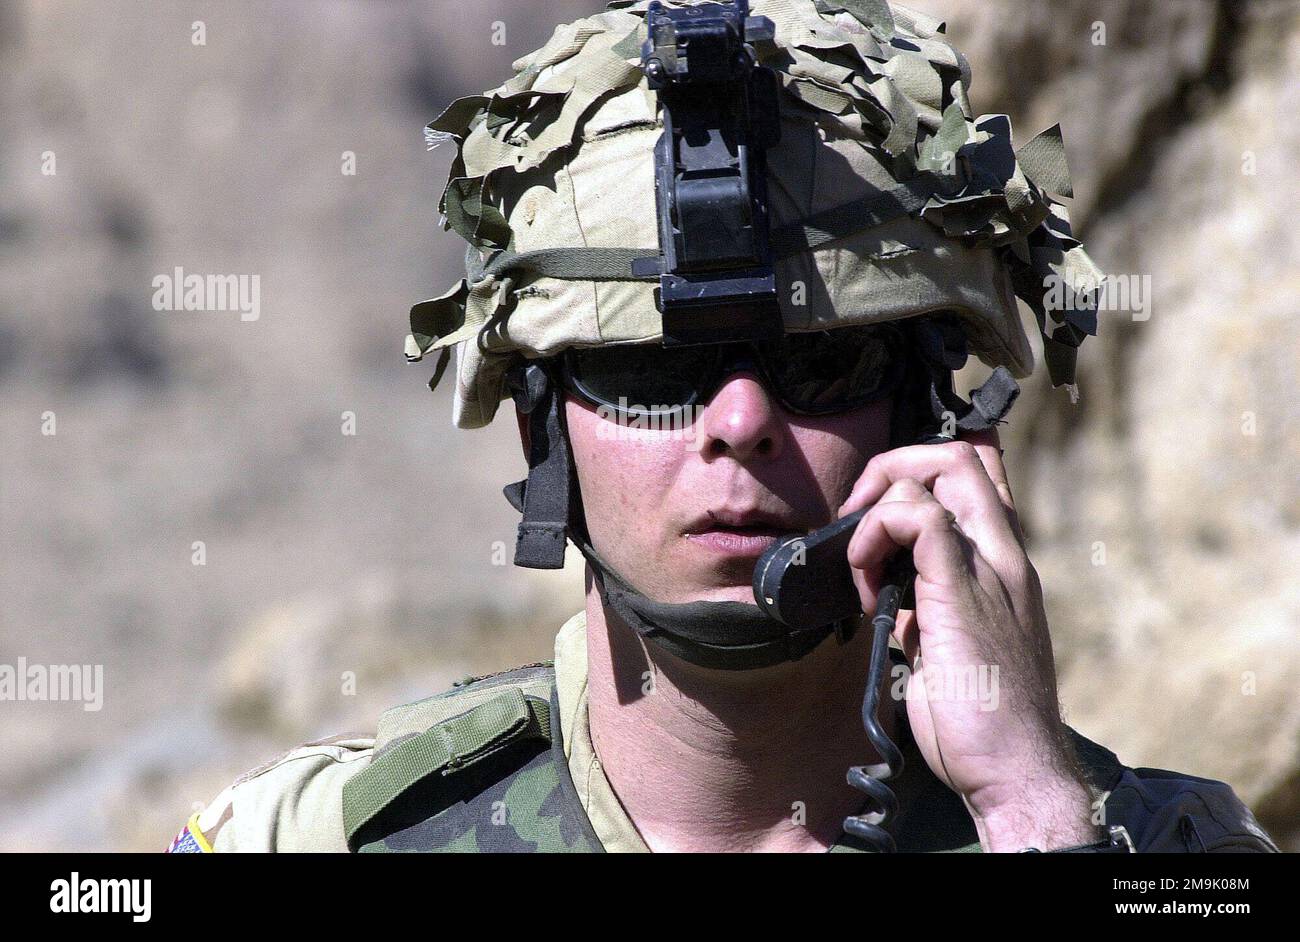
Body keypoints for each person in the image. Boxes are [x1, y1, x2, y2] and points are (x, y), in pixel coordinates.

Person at [167, 0, 1277, 854]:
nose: (740, 422)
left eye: (820, 362)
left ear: (926, 419)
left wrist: (1029, 805)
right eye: (654, 370)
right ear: (542, 434)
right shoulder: (323, 839)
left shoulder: (1170, 856)